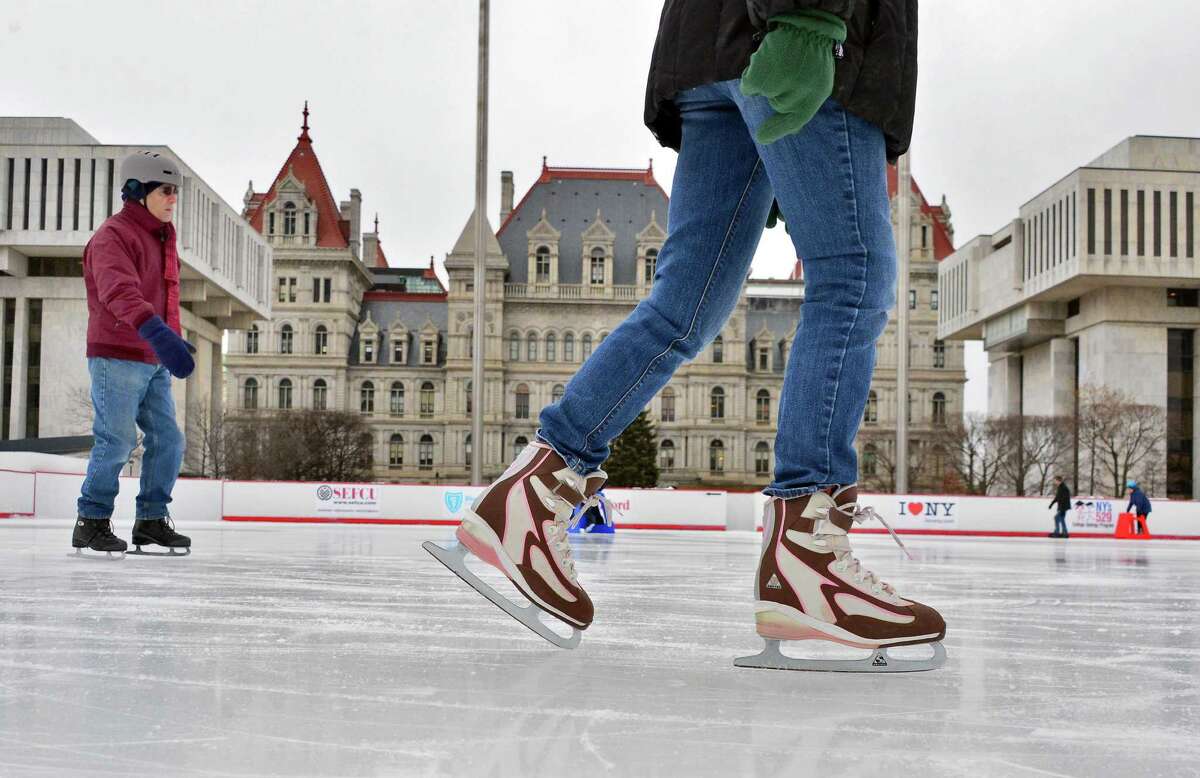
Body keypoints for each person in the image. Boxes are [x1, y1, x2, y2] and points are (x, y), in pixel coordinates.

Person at [428, 0, 943, 671]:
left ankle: (533, 490)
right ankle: (807, 559)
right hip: (806, 32)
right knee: (854, 278)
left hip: (714, 44)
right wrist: (810, 19)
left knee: (686, 303)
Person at [72, 152, 195, 558]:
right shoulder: (113, 236)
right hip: (117, 354)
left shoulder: (162, 236)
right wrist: (160, 335)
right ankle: (91, 521)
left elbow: (167, 296)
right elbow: (119, 293)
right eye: (165, 190)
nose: (172, 199)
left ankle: (151, 520)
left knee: (169, 439)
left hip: (151, 356)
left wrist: (172, 339)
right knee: (118, 438)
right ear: (136, 191)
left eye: (175, 191)